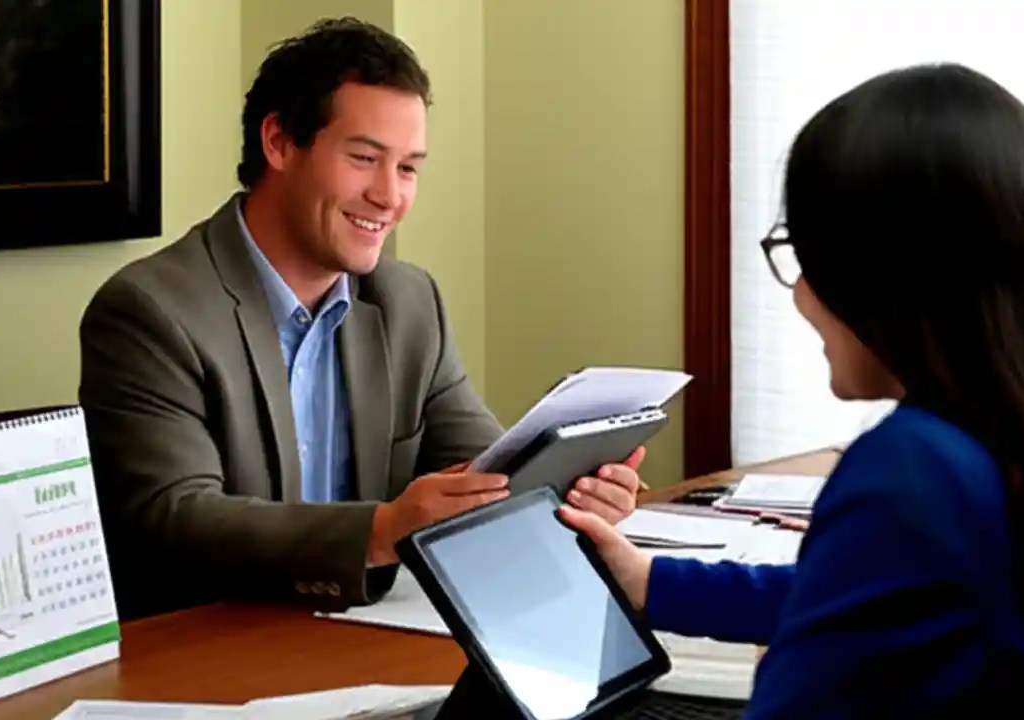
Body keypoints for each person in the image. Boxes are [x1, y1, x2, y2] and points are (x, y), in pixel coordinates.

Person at [562, 62, 1024, 716]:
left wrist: (789, 660)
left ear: (878, 264)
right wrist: (649, 581)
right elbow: (876, 592)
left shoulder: (916, 469)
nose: (799, 291)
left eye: (802, 253)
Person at [78, 17, 644, 621]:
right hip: (212, 643)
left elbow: (481, 469)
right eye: (365, 158)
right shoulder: (150, 311)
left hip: (367, 634)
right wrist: (382, 529)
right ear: (279, 142)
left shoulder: (410, 301)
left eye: (408, 168)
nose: (389, 196)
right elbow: (174, 522)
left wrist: (565, 492)